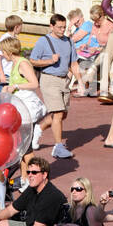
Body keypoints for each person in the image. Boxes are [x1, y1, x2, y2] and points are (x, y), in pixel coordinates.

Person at [29, 13, 82, 159]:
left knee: (62, 114)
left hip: (64, 80)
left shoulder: (69, 41)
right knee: (58, 113)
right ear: (51, 26)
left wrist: (81, 82)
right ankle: (58, 147)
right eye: (59, 27)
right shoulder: (43, 41)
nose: (62, 30)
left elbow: (74, 64)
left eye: (64, 27)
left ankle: (39, 128)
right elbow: (33, 60)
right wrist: (49, 61)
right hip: (49, 79)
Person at [2, 36, 46, 150]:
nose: (2, 54)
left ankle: (26, 161)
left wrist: (16, 86)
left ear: (10, 52)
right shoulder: (14, 63)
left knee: (23, 140)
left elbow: (34, 84)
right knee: (18, 137)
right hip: (18, 102)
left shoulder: (23, 64)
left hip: (26, 103)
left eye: (3, 51)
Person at [0, 14, 23, 88]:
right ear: (16, 27)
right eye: (21, 26)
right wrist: (2, 75)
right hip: (5, 73)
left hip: (11, 72)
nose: (22, 28)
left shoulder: (13, 38)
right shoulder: (5, 39)